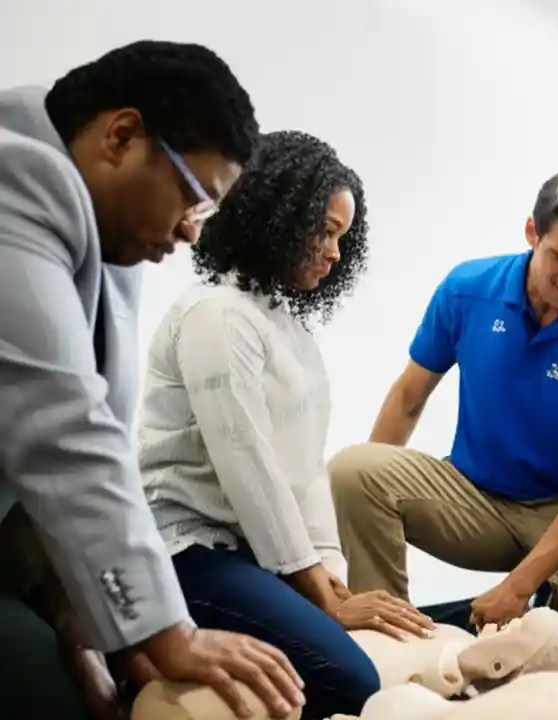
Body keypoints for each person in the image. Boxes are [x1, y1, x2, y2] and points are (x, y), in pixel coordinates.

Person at [0, 41, 304, 719]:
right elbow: (60, 434)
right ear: (122, 136)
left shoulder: (104, 233)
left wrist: (89, 624)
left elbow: (91, 433)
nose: (193, 234)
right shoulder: (14, 178)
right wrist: (167, 634)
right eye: (193, 198)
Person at [135, 130, 433, 719]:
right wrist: (319, 596)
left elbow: (303, 473)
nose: (334, 252)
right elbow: (252, 472)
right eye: (324, 229)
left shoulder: (289, 330)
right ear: (276, 215)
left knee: (351, 657)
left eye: (343, 237)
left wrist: (333, 577)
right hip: (186, 551)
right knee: (346, 677)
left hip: (248, 552)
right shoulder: (216, 315)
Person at [327, 168, 558, 675]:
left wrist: (518, 587)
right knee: (355, 469)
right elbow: (407, 398)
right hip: (476, 501)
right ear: (533, 233)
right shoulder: (468, 290)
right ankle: (391, 642)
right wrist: (364, 501)